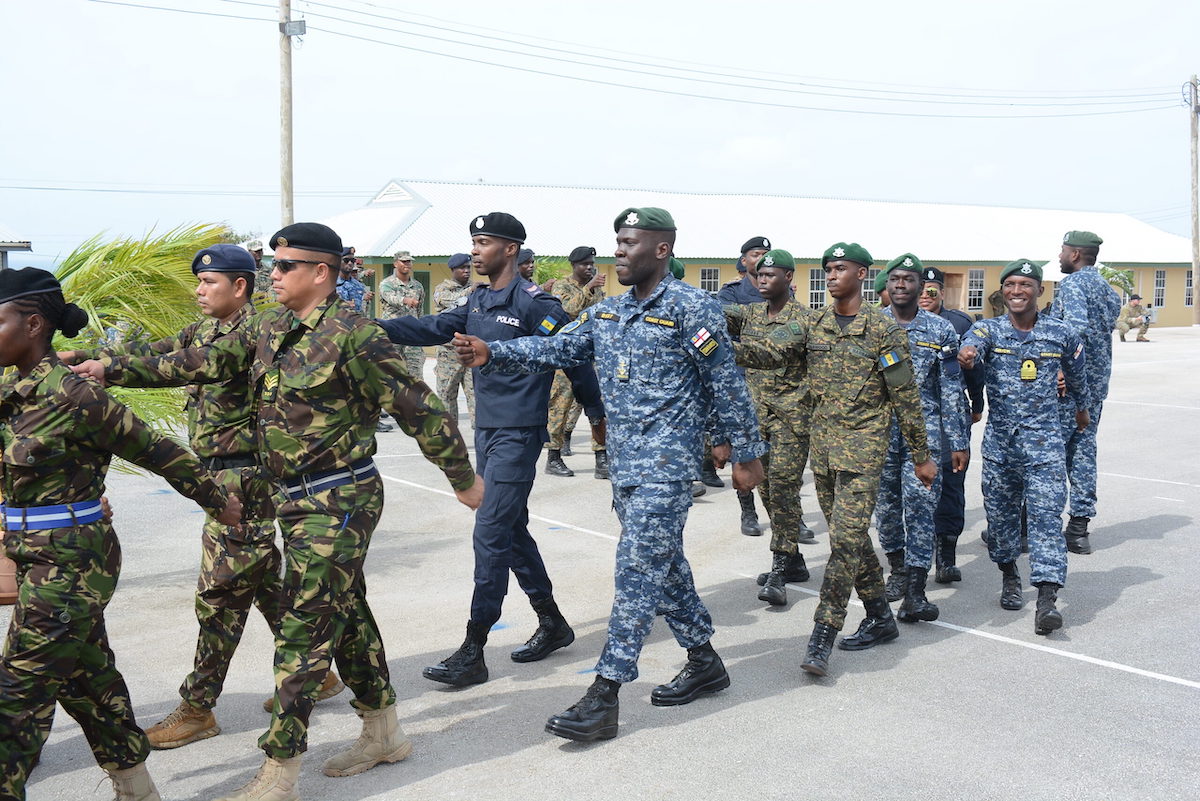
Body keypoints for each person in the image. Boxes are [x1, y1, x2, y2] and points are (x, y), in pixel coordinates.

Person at [71, 222, 482, 801]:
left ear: (322, 272)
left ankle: (280, 770)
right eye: (273, 265)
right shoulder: (271, 326)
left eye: (286, 266)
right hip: (284, 495)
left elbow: (423, 412)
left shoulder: (356, 336)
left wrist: (463, 480)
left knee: (304, 625)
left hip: (339, 498)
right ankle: (383, 730)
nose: (275, 275)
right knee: (348, 614)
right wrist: (102, 366)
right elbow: (199, 361)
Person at [454, 207, 766, 742]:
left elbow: (726, 381)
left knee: (635, 572)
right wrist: (493, 351)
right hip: (624, 467)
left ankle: (605, 693)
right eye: (616, 242)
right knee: (663, 567)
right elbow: (555, 347)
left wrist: (746, 451)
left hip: (668, 466)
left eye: (629, 243)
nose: (617, 252)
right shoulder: (609, 314)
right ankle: (704, 659)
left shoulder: (693, 308)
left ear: (661, 250)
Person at [59, 245, 343, 751]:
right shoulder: (204, 328)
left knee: (219, 595)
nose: (198, 290)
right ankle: (316, 672)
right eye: (199, 282)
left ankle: (199, 707)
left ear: (240, 286)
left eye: (208, 282)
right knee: (257, 582)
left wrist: (111, 373)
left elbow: (192, 366)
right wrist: (92, 359)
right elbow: (161, 352)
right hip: (219, 474)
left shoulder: (258, 331)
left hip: (244, 477)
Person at [0, 267, 239, 801]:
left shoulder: (73, 397)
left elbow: (157, 449)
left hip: (72, 561)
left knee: (15, 700)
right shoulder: (12, 390)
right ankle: (137, 788)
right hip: (32, 553)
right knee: (88, 682)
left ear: (33, 323)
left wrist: (220, 501)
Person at [377, 213, 604, 689]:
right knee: (511, 529)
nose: (475, 251)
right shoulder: (476, 300)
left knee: (490, 532)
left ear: (511, 249)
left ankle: (474, 648)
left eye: (483, 243)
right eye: (473, 243)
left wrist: (598, 416)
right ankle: (554, 623)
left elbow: (574, 357)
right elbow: (432, 327)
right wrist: (370, 326)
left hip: (519, 434)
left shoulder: (536, 303)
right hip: (487, 431)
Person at [734, 242, 934, 677]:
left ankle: (823, 633)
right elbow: (772, 353)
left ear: (862, 274)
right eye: (826, 269)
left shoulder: (883, 331)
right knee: (854, 540)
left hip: (863, 452)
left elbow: (905, 395)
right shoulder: (815, 324)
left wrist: (921, 454)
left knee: (843, 542)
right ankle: (881, 616)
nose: (830, 275)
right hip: (823, 451)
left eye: (839, 268)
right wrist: (718, 349)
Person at [959, 259, 1087, 636]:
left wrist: (1081, 410)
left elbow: (1079, 377)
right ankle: (1010, 574)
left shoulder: (1061, 334)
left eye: (1025, 285)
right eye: (1011, 284)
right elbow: (972, 347)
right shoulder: (988, 330)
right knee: (1000, 523)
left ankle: (1047, 599)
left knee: (1047, 520)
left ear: (1039, 291)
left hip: (1045, 445)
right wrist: (967, 355)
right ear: (1003, 292)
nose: (1017, 291)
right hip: (1001, 448)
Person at [873, 255, 968, 623]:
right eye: (895, 279)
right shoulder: (870, 324)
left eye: (909, 280)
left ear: (921, 287)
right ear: (886, 285)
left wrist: (957, 441)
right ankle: (896, 570)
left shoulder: (941, 330)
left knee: (921, 509)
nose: (901, 285)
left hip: (924, 437)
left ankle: (916, 588)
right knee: (887, 508)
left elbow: (951, 389)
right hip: (878, 431)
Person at [722, 248, 815, 607]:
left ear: (788, 278)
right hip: (758, 420)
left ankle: (778, 568)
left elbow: (772, 352)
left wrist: (718, 348)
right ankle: (793, 560)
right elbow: (714, 312)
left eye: (770, 275)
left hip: (792, 420)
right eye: (759, 275)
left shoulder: (803, 320)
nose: (762, 281)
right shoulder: (750, 313)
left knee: (785, 489)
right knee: (766, 488)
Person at [1051, 231, 1121, 554]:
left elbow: (1074, 330)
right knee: (1083, 451)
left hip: (1069, 388)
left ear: (1076, 254)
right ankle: (1078, 530)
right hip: (1095, 387)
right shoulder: (1107, 289)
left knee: (1047, 453)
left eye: (1063, 250)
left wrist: (1062, 370)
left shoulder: (1073, 285)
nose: (1060, 254)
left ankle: (1025, 527)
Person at [918, 266, 985, 583]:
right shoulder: (895, 322)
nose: (925, 296)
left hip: (950, 418)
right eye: (921, 288)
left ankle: (946, 555)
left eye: (932, 290)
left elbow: (974, 368)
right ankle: (912, 558)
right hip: (912, 418)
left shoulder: (959, 322)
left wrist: (976, 403)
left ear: (942, 292)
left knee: (951, 485)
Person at [716, 236, 773, 531]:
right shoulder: (731, 293)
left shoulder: (782, 292)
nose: (760, 258)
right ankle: (747, 510)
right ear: (744, 261)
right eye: (755, 254)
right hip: (742, 381)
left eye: (766, 254)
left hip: (777, 386)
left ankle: (786, 516)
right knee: (744, 449)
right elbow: (724, 333)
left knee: (777, 457)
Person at [545, 245, 609, 479]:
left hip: (593, 355)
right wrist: (588, 289)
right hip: (567, 356)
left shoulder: (598, 289)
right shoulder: (562, 286)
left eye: (592, 263)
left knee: (597, 407)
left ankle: (602, 459)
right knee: (560, 406)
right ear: (574, 266)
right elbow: (567, 309)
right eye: (585, 264)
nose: (590, 267)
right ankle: (553, 456)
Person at [432, 253, 476, 424]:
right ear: (452, 270)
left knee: (476, 395)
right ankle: (450, 437)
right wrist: (471, 291)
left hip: (471, 350)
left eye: (468, 267)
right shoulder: (443, 289)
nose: (466, 271)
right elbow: (451, 301)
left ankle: (482, 435)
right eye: (462, 268)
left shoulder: (476, 288)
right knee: (446, 395)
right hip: (449, 352)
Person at [378, 250, 427, 378]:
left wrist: (421, 328)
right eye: (403, 261)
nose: (407, 264)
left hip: (412, 333)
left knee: (415, 373)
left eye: (409, 261)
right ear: (395, 264)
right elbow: (391, 298)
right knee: (391, 372)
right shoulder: (386, 284)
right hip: (393, 332)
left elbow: (419, 310)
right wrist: (406, 300)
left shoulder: (417, 286)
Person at [334, 248, 372, 313]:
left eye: (352, 260)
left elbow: (363, 309)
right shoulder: (330, 284)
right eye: (346, 260)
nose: (350, 263)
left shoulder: (359, 285)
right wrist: (343, 304)